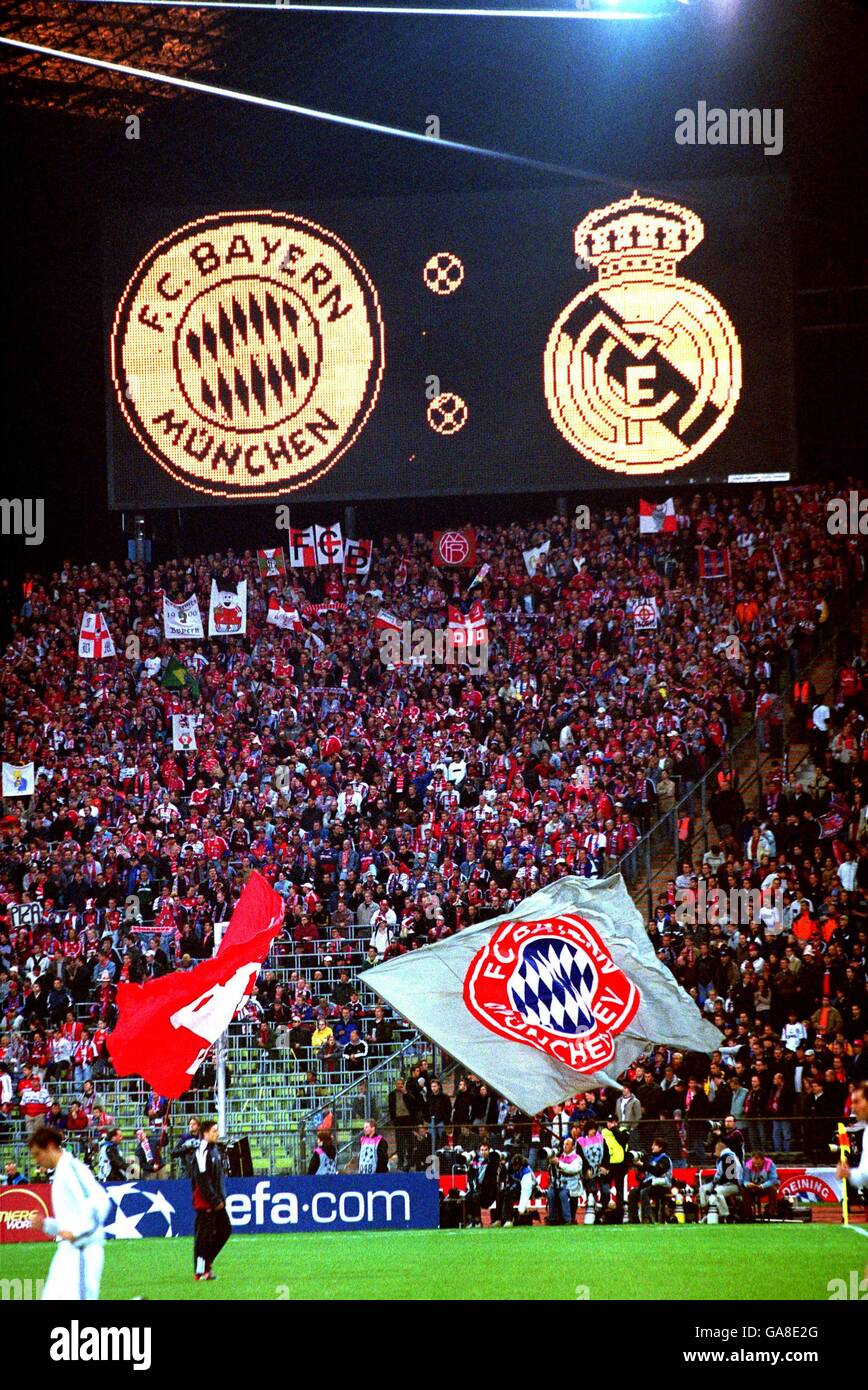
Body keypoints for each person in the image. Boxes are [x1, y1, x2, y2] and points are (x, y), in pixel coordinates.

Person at [26, 1125, 111, 1301]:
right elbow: (70, 1223)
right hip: (67, 1250)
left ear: (50, 1146)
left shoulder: (71, 1168)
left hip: (83, 1250)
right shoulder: (62, 1172)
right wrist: (46, 1225)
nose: (37, 1161)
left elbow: (101, 1202)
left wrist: (79, 1233)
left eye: (37, 1154)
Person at [192, 1119, 231, 1282]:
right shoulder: (201, 1151)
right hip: (206, 1201)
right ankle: (200, 1271)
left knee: (225, 1230)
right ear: (206, 1133)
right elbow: (202, 1179)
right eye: (214, 1131)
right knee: (203, 1236)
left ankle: (207, 1263)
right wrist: (214, 1199)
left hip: (216, 1199)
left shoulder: (214, 1149)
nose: (217, 1134)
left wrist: (220, 1197)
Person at [629, 1139, 674, 1224]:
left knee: (644, 1192)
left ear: (660, 1147)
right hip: (650, 1184)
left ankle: (647, 1218)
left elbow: (657, 1171)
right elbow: (646, 1172)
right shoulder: (651, 1158)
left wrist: (643, 1164)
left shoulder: (665, 1159)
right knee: (633, 1193)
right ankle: (634, 1220)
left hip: (662, 1186)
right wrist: (638, 1167)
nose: (652, 1147)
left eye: (654, 1145)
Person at [699, 1139, 744, 1222]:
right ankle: (708, 1210)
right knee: (703, 1189)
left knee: (716, 1192)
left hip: (733, 1185)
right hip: (724, 1183)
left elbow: (729, 1177)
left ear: (719, 1149)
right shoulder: (723, 1158)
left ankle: (725, 1215)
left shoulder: (729, 1157)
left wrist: (716, 1184)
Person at [548, 1138, 583, 1225]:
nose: (565, 1146)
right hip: (559, 1183)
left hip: (572, 1184)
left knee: (563, 1194)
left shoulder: (577, 1158)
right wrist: (552, 1164)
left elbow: (572, 1169)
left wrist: (558, 1164)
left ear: (573, 1146)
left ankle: (568, 1219)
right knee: (550, 1193)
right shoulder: (559, 1156)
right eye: (564, 1144)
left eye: (567, 1144)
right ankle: (552, 1218)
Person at [467, 1141, 501, 1227]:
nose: (483, 1152)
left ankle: (478, 1221)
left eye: (486, 1150)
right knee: (468, 1196)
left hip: (489, 1191)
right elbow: (472, 1176)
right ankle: (471, 1220)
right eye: (482, 1150)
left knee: (476, 1196)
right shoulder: (476, 1162)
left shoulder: (492, 1162)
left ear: (489, 1151)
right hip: (479, 1188)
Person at [741, 1151, 780, 1220]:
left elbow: (773, 1179)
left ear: (763, 1160)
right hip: (753, 1187)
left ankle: (772, 1213)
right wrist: (748, 1184)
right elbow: (745, 1180)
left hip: (766, 1186)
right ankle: (748, 1214)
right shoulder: (747, 1165)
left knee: (773, 1189)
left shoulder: (770, 1164)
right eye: (754, 1163)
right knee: (745, 1191)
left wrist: (763, 1186)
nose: (756, 1165)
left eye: (758, 1164)